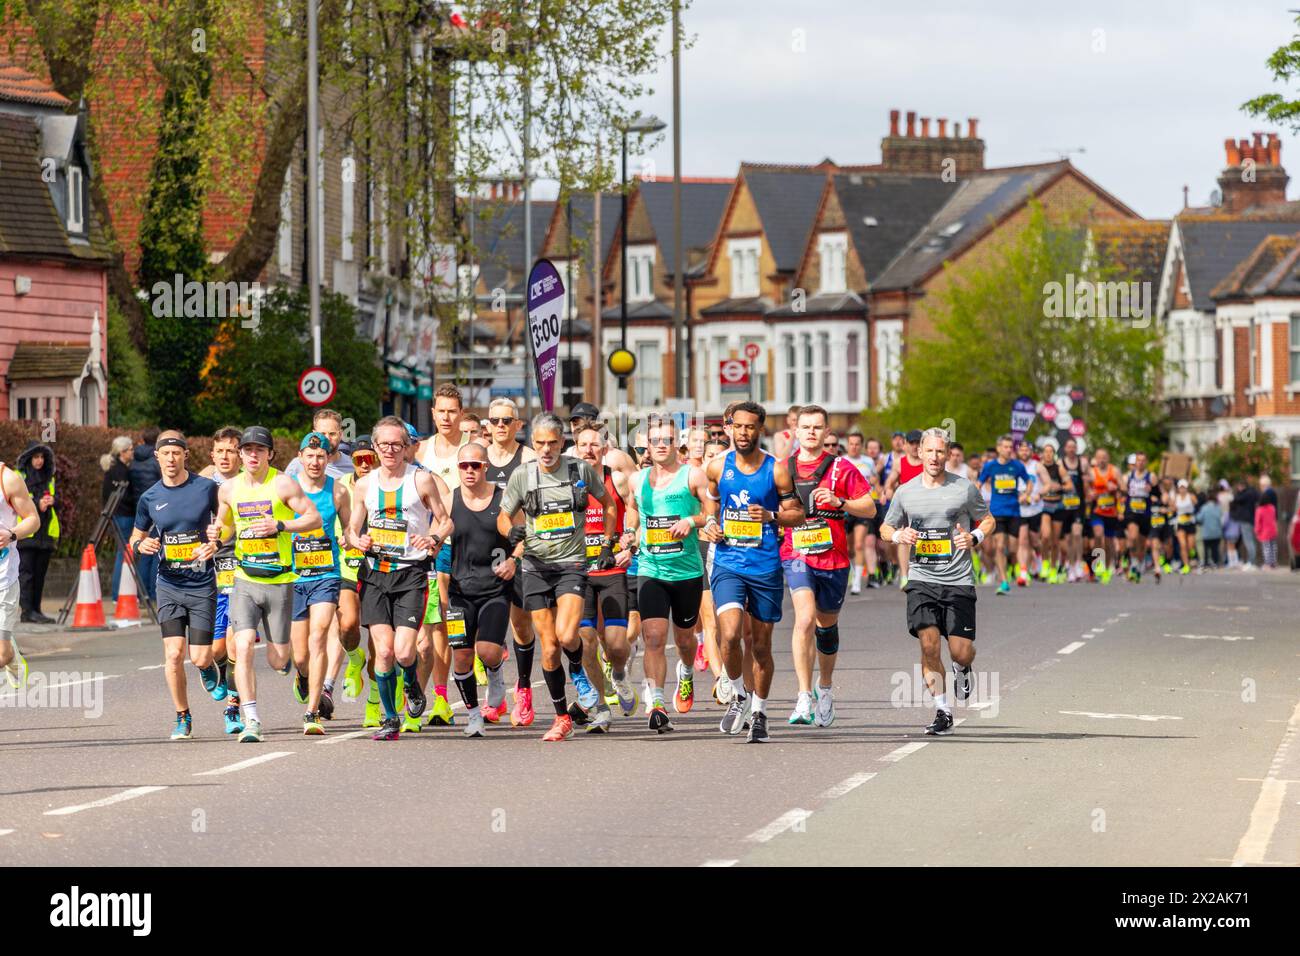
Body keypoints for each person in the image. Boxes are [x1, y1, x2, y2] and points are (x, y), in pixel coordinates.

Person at [498, 412, 612, 741]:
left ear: (563, 442)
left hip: (571, 564)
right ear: (532, 444)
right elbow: (503, 519)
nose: (546, 450)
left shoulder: (580, 470)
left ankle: (576, 669)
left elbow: (609, 506)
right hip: (535, 566)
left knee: (565, 636)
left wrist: (606, 542)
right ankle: (562, 717)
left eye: (552, 443)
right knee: (548, 649)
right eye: (539, 444)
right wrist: (512, 531)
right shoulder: (522, 475)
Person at [207, 426, 322, 743]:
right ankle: (252, 719)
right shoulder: (229, 489)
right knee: (242, 646)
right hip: (244, 579)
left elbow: (314, 519)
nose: (253, 455)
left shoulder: (283, 483)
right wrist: (216, 534)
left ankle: (298, 671)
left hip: (280, 581)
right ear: (240, 454)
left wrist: (281, 525)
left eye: (260, 449)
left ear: (270, 454)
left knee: (278, 659)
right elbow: (226, 528)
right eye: (247, 449)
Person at [881, 428, 993, 736]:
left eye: (940, 452)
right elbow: (885, 527)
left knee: (960, 651)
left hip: (958, 580)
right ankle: (943, 710)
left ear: (946, 454)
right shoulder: (905, 491)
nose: (934, 457)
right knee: (928, 645)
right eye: (929, 451)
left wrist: (975, 536)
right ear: (919, 453)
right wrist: (898, 535)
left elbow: (988, 519)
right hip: (921, 579)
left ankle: (963, 667)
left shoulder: (964, 489)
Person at [703, 400, 804, 744]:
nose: (743, 433)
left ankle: (759, 712)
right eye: (738, 426)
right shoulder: (717, 467)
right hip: (729, 562)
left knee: (760, 646)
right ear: (729, 427)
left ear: (760, 429)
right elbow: (711, 504)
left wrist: (772, 517)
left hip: (764, 566)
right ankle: (736, 694)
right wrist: (712, 526)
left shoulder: (776, 470)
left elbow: (798, 513)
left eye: (750, 427)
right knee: (729, 635)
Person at [346, 417, 452, 740]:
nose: (390, 450)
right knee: (384, 651)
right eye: (384, 444)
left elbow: (446, 522)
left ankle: (411, 684)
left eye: (397, 444)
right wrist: (357, 540)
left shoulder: (421, 480)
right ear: (375, 447)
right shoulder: (365, 485)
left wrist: (432, 540)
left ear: (406, 447)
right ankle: (390, 718)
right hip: (376, 574)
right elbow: (352, 528)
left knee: (406, 653)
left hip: (410, 574)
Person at [781, 405, 874, 728]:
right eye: (805, 426)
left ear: (826, 432)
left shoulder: (842, 468)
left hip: (833, 558)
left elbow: (870, 508)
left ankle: (825, 687)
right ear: (796, 431)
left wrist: (840, 502)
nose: (810, 432)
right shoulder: (782, 469)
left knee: (826, 627)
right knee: (804, 618)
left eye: (817, 427)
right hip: (796, 553)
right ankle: (804, 695)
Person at [131, 431, 224, 739]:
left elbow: (227, 522)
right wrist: (140, 545)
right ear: (157, 457)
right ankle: (182, 716)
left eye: (176, 453)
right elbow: (136, 535)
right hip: (168, 584)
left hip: (201, 584)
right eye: (165, 454)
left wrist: (216, 542)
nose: (171, 459)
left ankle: (209, 667)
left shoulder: (206, 488)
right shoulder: (150, 497)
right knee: (173, 654)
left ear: (185, 455)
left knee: (198, 657)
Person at [625, 415, 711, 733]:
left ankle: (686, 672)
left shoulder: (693, 475)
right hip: (651, 568)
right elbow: (632, 508)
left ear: (678, 444)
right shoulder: (639, 480)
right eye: (656, 441)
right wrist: (628, 532)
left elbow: (710, 511)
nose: (661, 446)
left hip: (686, 570)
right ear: (648, 445)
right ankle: (657, 702)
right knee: (654, 638)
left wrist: (692, 521)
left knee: (686, 640)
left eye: (668, 441)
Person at [446, 441, 517, 737]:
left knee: (487, 651)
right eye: (464, 465)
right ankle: (474, 714)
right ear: (458, 469)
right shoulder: (449, 500)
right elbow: (438, 531)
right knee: (461, 657)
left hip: (495, 589)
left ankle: (496, 671)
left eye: (476, 465)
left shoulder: (502, 499)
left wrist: (514, 560)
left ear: (486, 466)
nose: (470, 470)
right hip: (459, 590)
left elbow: (524, 535)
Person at [288, 431, 352, 733]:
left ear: (328, 459)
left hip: (326, 574)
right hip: (292, 575)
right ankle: (303, 676)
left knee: (319, 636)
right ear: (300, 457)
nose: (315, 461)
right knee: (299, 654)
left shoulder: (338, 491)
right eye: (310, 456)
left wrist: (352, 539)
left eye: (321, 456)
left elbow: (351, 528)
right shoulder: (288, 489)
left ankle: (311, 712)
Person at [481, 398, 540, 726]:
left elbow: (537, 512)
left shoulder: (528, 458)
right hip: (483, 552)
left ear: (518, 425)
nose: (501, 425)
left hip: (520, 550)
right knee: (484, 630)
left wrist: (520, 552)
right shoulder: (476, 457)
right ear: (487, 424)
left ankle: (524, 687)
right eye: (495, 420)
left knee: (520, 624)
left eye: (508, 420)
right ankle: (495, 690)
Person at [573, 426, 636, 731]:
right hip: (579, 571)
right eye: (583, 444)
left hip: (611, 570)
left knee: (614, 647)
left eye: (594, 445)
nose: (588, 450)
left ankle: (620, 673)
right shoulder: (569, 481)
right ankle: (601, 707)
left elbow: (634, 512)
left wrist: (630, 539)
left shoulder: (617, 478)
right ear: (576, 448)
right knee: (584, 642)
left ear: (604, 449)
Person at [199, 426, 246, 734]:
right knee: (213, 650)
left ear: (240, 454)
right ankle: (206, 668)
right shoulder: (202, 484)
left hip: (243, 569)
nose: (226, 456)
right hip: (209, 570)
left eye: (232, 450)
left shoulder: (251, 483)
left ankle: (234, 706)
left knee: (235, 646)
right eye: (221, 451)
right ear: (212, 454)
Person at [0, 460, 40, 689]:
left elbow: (33, 520)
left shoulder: (7, 479)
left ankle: (10, 654)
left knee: (2, 656)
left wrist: (11, 534)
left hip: (3, 579)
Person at [977, 435, 1029, 596]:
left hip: (1014, 511)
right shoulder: (990, 466)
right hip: (997, 511)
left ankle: (1011, 568)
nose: (1008, 450)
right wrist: (976, 500)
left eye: (1010, 447)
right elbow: (979, 484)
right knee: (999, 546)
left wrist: (1025, 495)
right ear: (999, 448)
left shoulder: (1017, 466)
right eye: (1005, 447)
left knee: (1012, 548)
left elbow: (1029, 481)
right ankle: (1004, 581)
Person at [15, 442, 59, 624]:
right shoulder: (19, 477)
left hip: (45, 532)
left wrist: (52, 500)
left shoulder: (49, 478)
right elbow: (17, 503)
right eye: (36, 457)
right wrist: (37, 504)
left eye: (42, 457)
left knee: (40, 574)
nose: (39, 461)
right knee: (27, 574)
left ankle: (36, 610)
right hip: (26, 533)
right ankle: (27, 611)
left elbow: (58, 502)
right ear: (29, 458)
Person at [883, 430, 925, 588]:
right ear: (906, 445)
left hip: (924, 506)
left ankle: (921, 573)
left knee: (922, 539)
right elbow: (891, 481)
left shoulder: (926, 461)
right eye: (912, 443)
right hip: (906, 506)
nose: (914, 447)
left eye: (917, 443)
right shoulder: (900, 462)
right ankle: (904, 576)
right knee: (903, 538)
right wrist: (887, 489)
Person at [841, 432, 878, 594]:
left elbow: (875, 480)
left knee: (859, 544)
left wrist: (878, 492)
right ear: (847, 445)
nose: (854, 447)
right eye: (851, 443)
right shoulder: (841, 461)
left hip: (862, 507)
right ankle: (851, 572)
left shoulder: (868, 461)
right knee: (848, 548)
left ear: (861, 446)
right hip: (846, 507)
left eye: (857, 444)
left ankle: (856, 583)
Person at [129, 427, 163, 603]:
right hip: (158, 507)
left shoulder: (133, 461)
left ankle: (140, 593)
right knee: (156, 550)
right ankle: (153, 592)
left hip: (140, 506)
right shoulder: (156, 460)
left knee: (143, 550)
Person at [103, 435, 138, 602]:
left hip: (116, 515)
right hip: (125, 516)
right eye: (131, 449)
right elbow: (125, 497)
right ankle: (119, 594)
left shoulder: (112, 470)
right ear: (123, 452)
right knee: (124, 554)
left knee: (122, 553)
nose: (133, 452)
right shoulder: (123, 471)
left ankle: (119, 593)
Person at [284, 409, 355, 481]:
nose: (327, 438)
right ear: (314, 434)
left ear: (340, 434)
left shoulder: (353, 466)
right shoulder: (297, 465)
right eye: (322, 434)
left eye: (332, 434)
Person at [1085, 448, 1122, 583]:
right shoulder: (1091, 472)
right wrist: (1091, 493)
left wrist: (1116, 488)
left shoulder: (1115, 471)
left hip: (1111, 512)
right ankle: (1098, 565)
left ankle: (1107, 568)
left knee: (1108, 542)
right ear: (1096, 458)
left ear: (1108, 458)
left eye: (1104, 457)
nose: (1102, 460)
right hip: (1097, 511)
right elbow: (1086, 490)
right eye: (1099, 457)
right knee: (1098, 536)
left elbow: (1124, 489)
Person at [1121, 451, 1156, 583]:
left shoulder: (1151, 476)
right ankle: (1134, 563)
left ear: (1145, 462)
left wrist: (1152, 490)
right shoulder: (1128, 476)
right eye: (1138, 460)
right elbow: (1122, 491)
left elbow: (1158, 492)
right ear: (1135, 462)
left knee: (1142, 544)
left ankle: (1139, 563)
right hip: (1131, 512)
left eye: (1142, 460)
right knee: (1133, 537)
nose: (1140, 462)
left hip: (1145, 513)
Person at [1229, 479, 1259, 569]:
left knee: (1248, 541)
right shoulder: (1252, 492)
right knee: (1251, 541)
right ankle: (1252, 561)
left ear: (1242, 486)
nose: (1238, 488)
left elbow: (1236, 499)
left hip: (1245, 520)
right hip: (1251, 519)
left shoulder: (1245, 494)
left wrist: (1237, 493)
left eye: (1239, 487)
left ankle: (1251, 562)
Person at [1172, 479, 1198, 574]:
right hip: (1180, 523)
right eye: (1180, 488)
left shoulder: (1191, 497)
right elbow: (1173, 509)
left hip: (1190, 522)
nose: (1182, 489)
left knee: (1191, 546)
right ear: (1178, 489)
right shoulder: (1176, 498)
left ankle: (1192, 558)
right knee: (1183, 545)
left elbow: (1196, 505)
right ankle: (1186, 565)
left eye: (1184, 487)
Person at [1196, 491, 1224, 570]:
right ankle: (1216, 562)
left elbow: (1199, 518)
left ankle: (1206, 563)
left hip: (1207, 533)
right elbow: (1221, 519)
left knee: (1206, 549)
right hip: (1217, 532)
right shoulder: (1218, 507)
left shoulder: (1204, 507)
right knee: (1215, 549)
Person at [1256, 475, 1279, 569]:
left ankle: (1267, 563)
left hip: (1265, 529)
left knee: (1266, 547)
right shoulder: (1272, 508)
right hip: (1272, 526)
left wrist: (1257, 530)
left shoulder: (1260, 509)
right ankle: (1273, 562)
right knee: (1273, 546)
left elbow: (1258, 521)